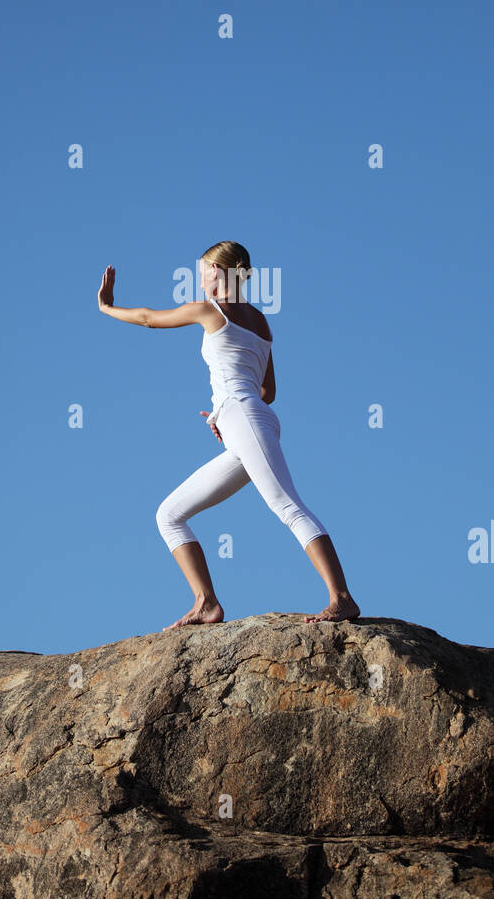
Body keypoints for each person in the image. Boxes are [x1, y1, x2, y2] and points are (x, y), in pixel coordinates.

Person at [97, 240, 360, 630]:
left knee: (288, 507)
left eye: (201, 270)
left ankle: (341, 598)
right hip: (252, 418)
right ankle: (206, 603)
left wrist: (106, 307)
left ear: (217, 272)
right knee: (169, 515)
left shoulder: (209, 311)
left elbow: (149, 318)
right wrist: (224, 408)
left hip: (245, 418)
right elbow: (269, 392)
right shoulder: (260, 320)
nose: (198, 278)